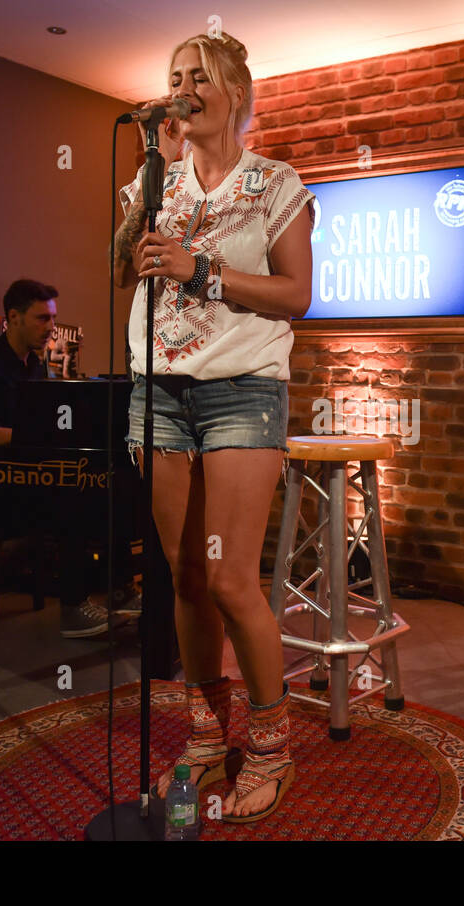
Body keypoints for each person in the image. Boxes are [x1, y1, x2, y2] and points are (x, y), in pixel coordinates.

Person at [112, 31, 314, 822]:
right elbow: (125, 260)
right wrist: (155, 172)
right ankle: (205, 734)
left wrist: (204, 271)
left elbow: (296, 294)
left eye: (199, 77)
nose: (182, 88)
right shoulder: (152, 177)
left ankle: (270, 748)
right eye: (173, 77)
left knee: (231, 579)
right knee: (185, 577)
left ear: (235, 93)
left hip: (240, 393)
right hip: (157, 393)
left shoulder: (274, 182)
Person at [0, 280, 132, 639]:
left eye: (53, 318)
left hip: (12, 476)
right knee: (74, 498)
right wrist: (52, 436)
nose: (52, 328)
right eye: (43, 318)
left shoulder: (34, 366)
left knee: (104, 487)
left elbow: (34, 427)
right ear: (13, 317)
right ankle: (73, 609)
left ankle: (121, 589)